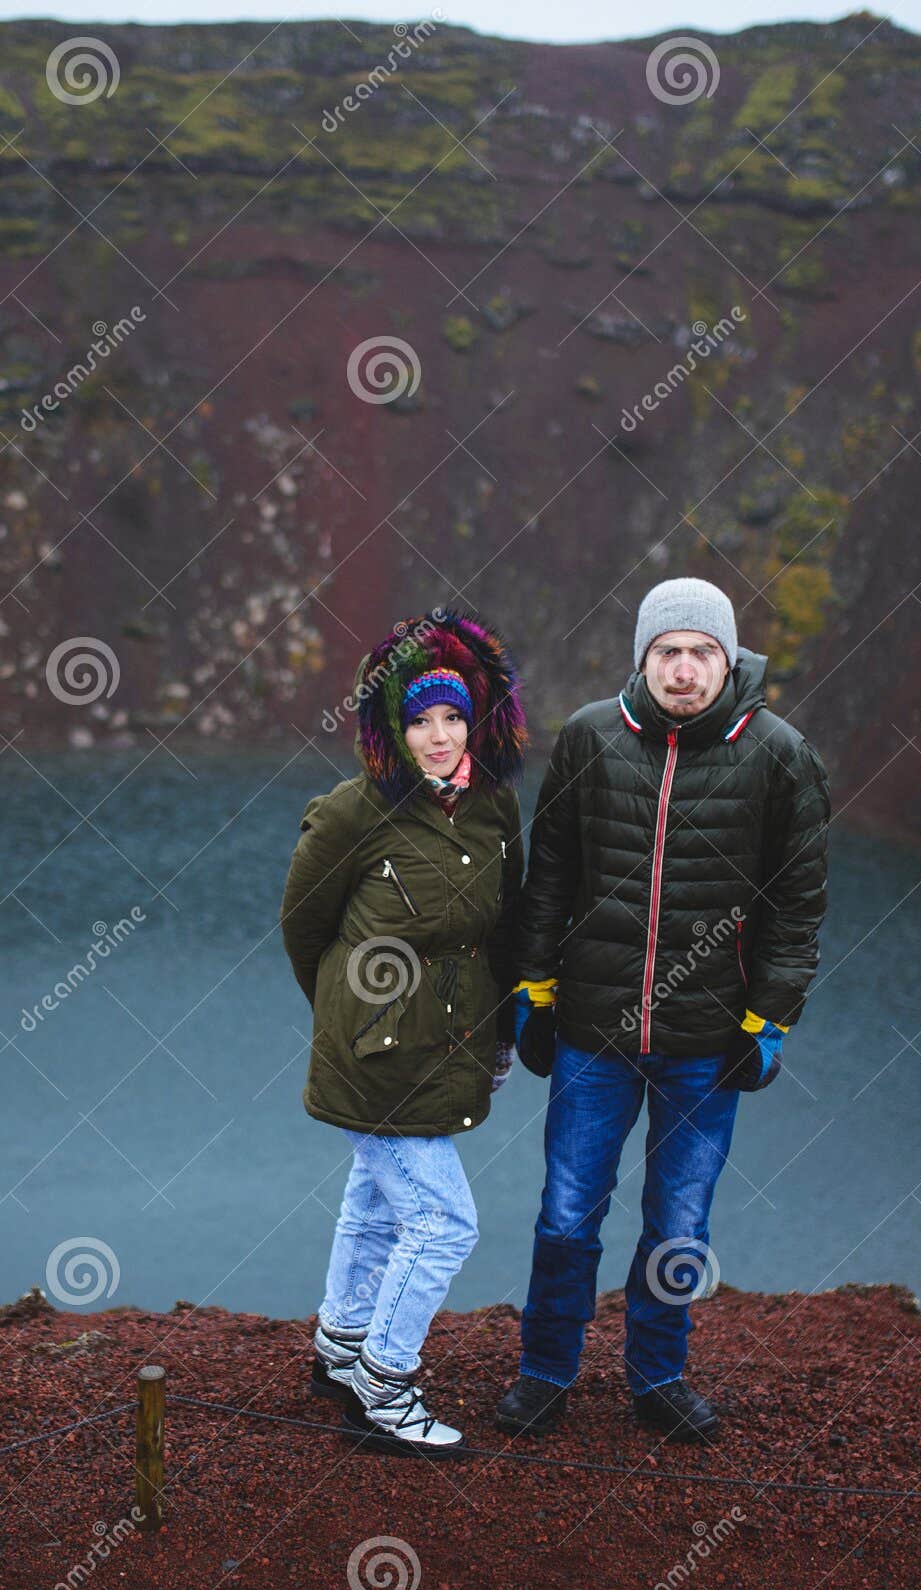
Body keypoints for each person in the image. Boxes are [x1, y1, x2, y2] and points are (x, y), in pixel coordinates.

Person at [497, 577, 830, 1443]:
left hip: (708, 1037)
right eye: (667, 652)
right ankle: (545, 1371)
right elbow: (549, 880)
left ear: (730, 659)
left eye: (700, 653)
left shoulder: (781, 755)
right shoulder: (588, 738)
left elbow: (797, 908)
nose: (684, 670)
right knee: (568, 1212)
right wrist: (532, 989)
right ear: (642, 659)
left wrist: (771, 1020)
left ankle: (659, 1375)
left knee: (680, 1221)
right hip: (594, 1031)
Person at [279, 607, 527, 1457]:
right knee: (443, 1223)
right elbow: (304, 928)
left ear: (478, 719)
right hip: (374, 1055)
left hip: (455, 1045)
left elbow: (502, 930)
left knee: (377, 1208)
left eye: (453, 716)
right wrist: (351, 1019)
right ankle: (384, 1386)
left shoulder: (494, 811)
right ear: (393, 727)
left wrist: (499, 1037)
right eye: (419, 719)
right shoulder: (354, 812)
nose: (438, 735)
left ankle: (341, 1348)